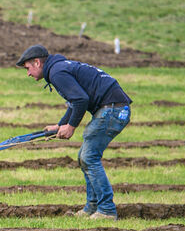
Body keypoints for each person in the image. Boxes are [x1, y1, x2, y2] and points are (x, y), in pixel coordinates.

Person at [15, 44, 132, 220]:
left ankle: (106, 210)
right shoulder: (59, 68)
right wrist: (60, 125)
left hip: (113, 110)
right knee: (86, 157)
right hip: (113, 108)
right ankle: (91, 208)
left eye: (28, 68)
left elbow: (80, 99)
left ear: (37, 63)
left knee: (88, 157)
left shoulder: (56, 72)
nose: (28, 73)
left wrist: (71, 126)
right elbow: (75, 100)